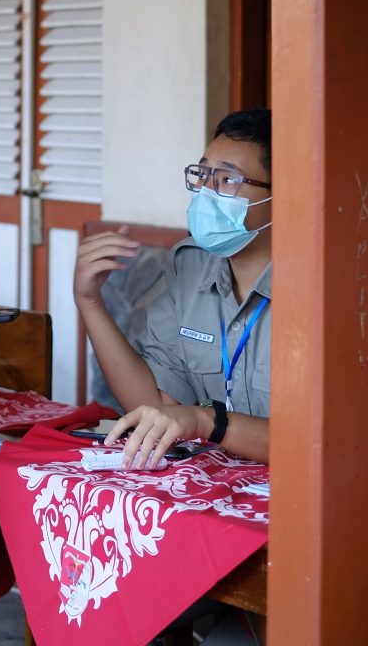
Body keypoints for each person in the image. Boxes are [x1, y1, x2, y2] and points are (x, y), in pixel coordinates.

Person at [72, 109, 274, 467]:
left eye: (227, 179)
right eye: (203, 175)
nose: (207, 193)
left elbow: (326, 444)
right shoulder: (190, 266)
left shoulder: (326, 293)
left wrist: (206, 421)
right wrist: (89, 301)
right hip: (218, 486)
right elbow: (155, 405)